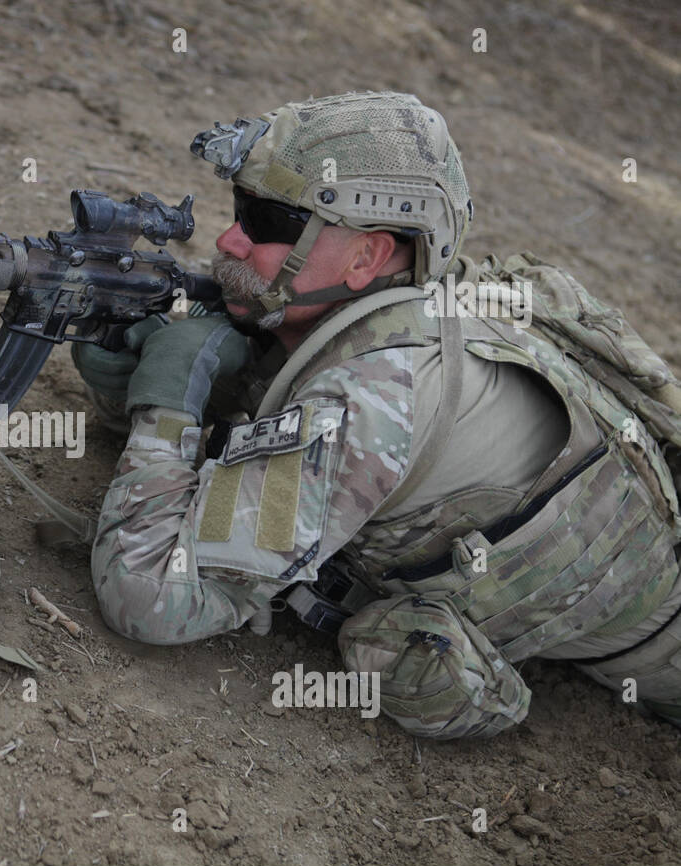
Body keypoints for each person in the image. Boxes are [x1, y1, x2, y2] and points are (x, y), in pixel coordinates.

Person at [73, 90, 681, 738]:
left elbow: (149, 597)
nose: (229, 240)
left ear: (367, 258)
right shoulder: (376, 306)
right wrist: (135, 366)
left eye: (269, 223)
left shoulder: (368, 403)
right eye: (237, 210)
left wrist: (164, 409)